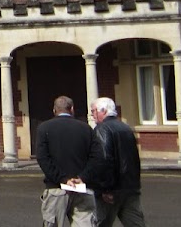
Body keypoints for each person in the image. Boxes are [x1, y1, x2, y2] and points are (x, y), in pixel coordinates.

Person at [35, 95, 99, 227]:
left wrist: (63, 179)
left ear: (54, 110)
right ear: (72, 109)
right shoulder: (86, 128)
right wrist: (82, 177)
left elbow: (43, 159)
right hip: (82, 188)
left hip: (56, 189)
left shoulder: (44, 128)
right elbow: (97, 157)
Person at [88, 97, 146, 227]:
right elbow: (134, 159)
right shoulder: (126, 128)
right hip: (130, 188)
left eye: (93, 111)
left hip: (112, 191)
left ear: (103, 111)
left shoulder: (102, 129)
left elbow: (104, 160)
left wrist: (106, 188)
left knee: (101, 223)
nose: (92, 115)